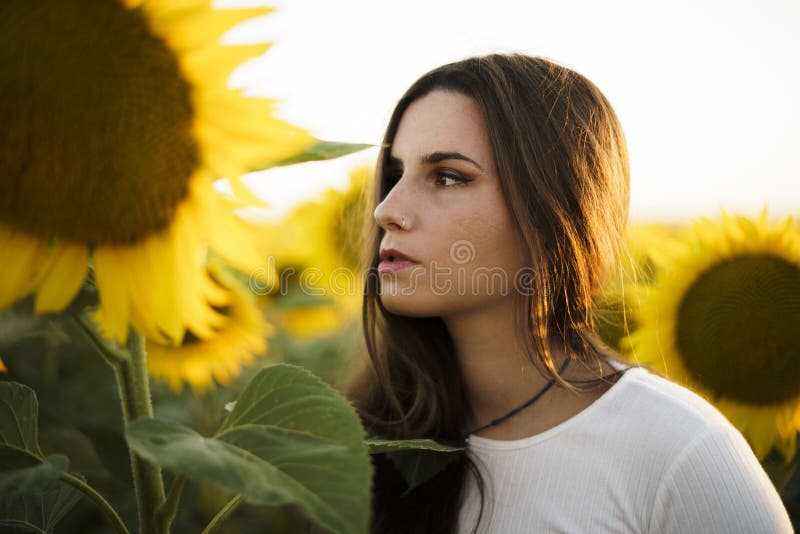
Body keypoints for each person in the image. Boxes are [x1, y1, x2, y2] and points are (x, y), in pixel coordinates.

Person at [345, 53, 792, 533]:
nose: (387, 210)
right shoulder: (364, 436)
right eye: (395, 175)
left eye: (448, 176)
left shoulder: (679, 452)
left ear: (553, 212)